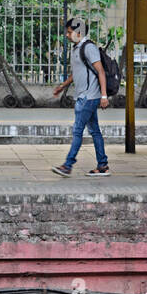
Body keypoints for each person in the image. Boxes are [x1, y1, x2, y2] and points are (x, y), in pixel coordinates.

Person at [51, 17, 110, 177]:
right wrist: (62, 86)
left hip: (88, 97)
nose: (67, 35)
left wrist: (104, 95)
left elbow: (101, 72)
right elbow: (76, 73)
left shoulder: (89, 47)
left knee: (77, 130)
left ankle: (68, 165)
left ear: (78, 32)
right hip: (83, 96)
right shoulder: (76, 48)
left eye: (69, 32)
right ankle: (102, 165)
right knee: (95, 131)